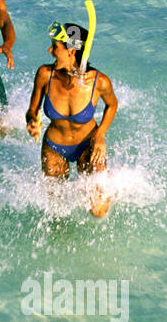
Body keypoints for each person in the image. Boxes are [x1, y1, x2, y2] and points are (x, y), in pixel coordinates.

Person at [26, 21, 118, 218]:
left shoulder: (99, 81)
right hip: (54, 149)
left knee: (98, 210)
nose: (50, 50)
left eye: (56, 47)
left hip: (88, 147)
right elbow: (31, 111)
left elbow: (112, 105)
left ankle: (112, 189)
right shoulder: (45, 74)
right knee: (56, 213)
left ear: (71, 51)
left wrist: (100, 136)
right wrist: (32, 122)